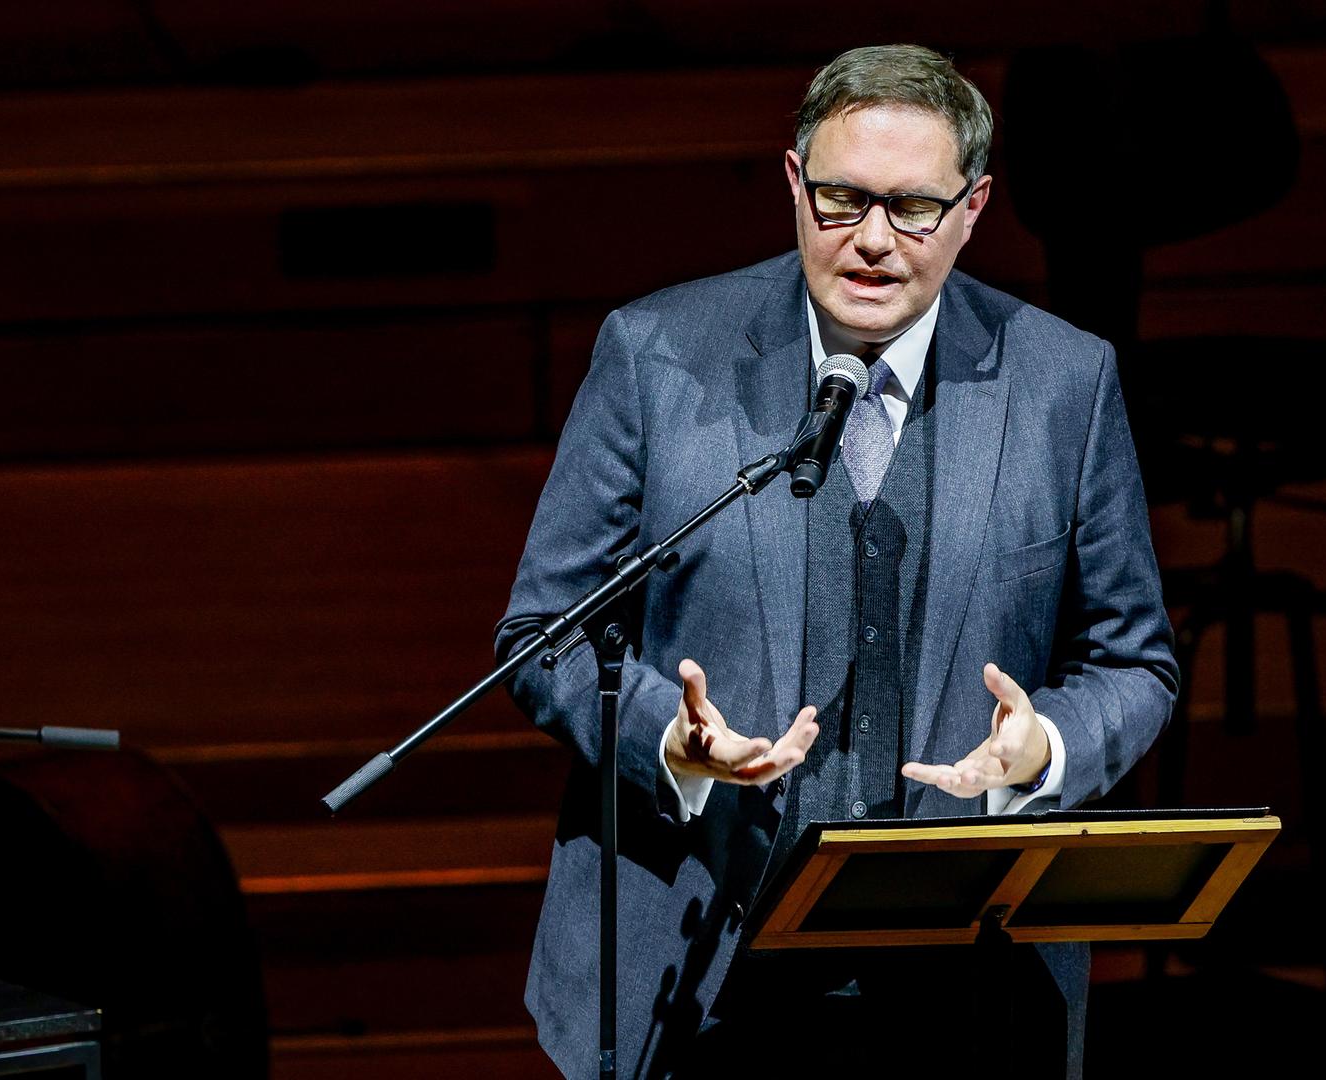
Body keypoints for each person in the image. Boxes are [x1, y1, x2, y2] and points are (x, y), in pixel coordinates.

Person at [494, 44, 1177, 1079]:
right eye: (841, 198)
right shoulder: (657, 354)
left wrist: (1044, 750)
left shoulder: (1062, 382)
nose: (871, 242)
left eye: (912, 209)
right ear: (791, 183)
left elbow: (1136, 664)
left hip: (970, 987)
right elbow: (543, 637)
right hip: (698, 967)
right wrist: (670, 745)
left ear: (974, 208)